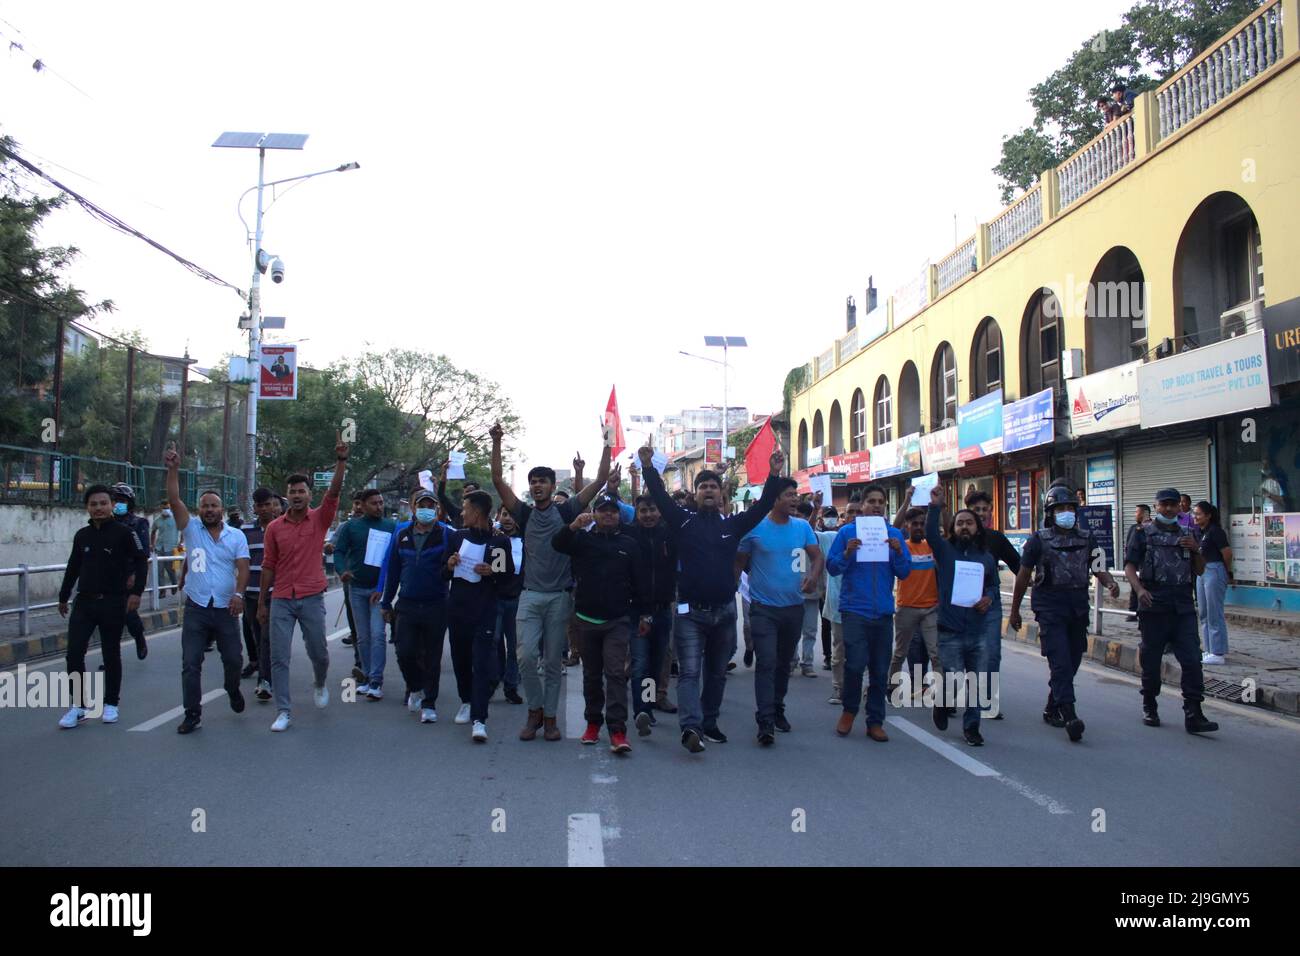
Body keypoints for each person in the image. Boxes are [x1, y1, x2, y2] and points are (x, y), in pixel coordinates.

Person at [639, 442, 784, 754]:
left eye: (713, 486)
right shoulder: (682, 521)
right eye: (703, 486)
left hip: (725, 613)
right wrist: (648, 466)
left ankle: (709, 723)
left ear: (721, 494)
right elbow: (661, 497)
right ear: (695, 493)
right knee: (690, 672)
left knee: (717, 674)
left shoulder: (733, 525)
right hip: (690, 613)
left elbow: (761, 507)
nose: (708, 490)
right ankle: (690, 726)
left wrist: (773, 475)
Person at [490, 421, 609, 743]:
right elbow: (498, 479)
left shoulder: (567, 508)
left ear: (553, 484)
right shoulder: (523, 513)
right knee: (527, 656)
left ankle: (551, 719)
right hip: (529, 595)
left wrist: (607, 442)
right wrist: (497, 440)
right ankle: (535, 711)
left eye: (543, 481)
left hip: (559, 598)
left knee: (553, 663)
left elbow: (599, 480)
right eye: (533, 482)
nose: (538, 485)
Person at [1009, 485, 1121, 743]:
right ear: (1051, 512)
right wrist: (1015, 610)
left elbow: (1098, 565)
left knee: (1072, 660)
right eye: (1061, 509)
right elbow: (1024, 575)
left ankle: (1052, 705)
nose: (1066, 513)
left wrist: (1110, 583)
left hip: (1078, 605)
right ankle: (1070, 714)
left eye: (1070, 508)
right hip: (1049, 605)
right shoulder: (1039, 539)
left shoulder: (1086, 536)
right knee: (1059, 660)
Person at [257, 432, 350, 732]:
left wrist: (341, 461)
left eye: (301, 491)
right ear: (287, 496)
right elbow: (268, 565)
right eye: (292, 491)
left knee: (319, 653)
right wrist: (262, 603)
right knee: (278, 656)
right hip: (281, 598)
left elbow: (334, 493)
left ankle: (320, 682)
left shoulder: (320, 519)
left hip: (311, 596)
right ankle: (284, 710)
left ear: (309, 495)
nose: (297, 495)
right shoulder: (274, 528)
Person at [552, 492, 651, 752]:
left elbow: (641, 582)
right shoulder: (582, 540)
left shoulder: (629, 543)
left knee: (616, 674)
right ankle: (593, 723)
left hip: (617, 620)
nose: (608, 514)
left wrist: (645, 614)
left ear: (619, 515)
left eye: (613, 510)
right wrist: (573, 526)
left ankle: (618, 730)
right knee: (591, 676)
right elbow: (557, 544)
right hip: (585, 620)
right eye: (603, 510)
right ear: (594, 514)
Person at [163, 444, 251, 734]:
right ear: (199, 509)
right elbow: (174, 499)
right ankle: (192, 714)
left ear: (221, 509)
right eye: (204, 506)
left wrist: (238, 595)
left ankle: (232, 687)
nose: (209, 510)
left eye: (213, 506)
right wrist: (173, 469)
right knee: (190, 663)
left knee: (234, 659)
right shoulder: (190, 529)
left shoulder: (236, 536)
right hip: (197, 607)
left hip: (226, 608)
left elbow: (243, 567)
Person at [735, 478, 823, 745]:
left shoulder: (802, 527)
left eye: (796, 495)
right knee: (767, 663)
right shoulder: (754, 529)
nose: (795, 499)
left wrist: (813, 576)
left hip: (793, 608)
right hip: (763, 609)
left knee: (784, 664)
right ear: (774, 499)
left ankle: (777, 708)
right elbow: (738, 563)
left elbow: (818, 557)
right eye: (788, 495)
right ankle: (765, 720)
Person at [1124, 488, 1219, 734]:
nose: (1168, 509)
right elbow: (1130, 567)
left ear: (1180, 507)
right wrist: (1139, 590)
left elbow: (1199, 570)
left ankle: (1194, 713)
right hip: (1154, 604)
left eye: (1173, 505)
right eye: (1164, 505)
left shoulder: (1189, 533)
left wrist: (1196, 549)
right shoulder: (1142, 533)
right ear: (1156, 507)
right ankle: (1150, 705)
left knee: (1192, 661)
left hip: (1183, 605)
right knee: (1151, 659)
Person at [55, 484, 147, 728]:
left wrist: (136, 592)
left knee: (110, 652)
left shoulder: (125, 533)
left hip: (113, 601)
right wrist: (64, 597)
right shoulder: (82, 535)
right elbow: (73, 567)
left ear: (111, 505)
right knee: (74, 653)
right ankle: (78, 706)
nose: (98, 508)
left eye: (103, 503)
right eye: (93, 504)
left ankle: (111, 704)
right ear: (88, 507)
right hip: (84, 602)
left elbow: (141, 561)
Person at [825, 484, 912, 742]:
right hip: (854, 610)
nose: (876, 506)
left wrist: (897, 551)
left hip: (883, 613)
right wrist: (847, 552)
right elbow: (832, 567)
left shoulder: (894, 534)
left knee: (879, 668)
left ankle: (875, 720)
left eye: (880, 502)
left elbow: (905, 572)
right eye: (871, 501)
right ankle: (849, 710)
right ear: (862, 505)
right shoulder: (847, 533)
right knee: (854, 664)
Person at [925, 484, 998, 746]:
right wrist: (935, 507)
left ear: (978, 527)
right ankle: (942, 704)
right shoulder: (945, 552)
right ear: (953, 529)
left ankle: (972, 727)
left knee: (977, 682)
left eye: (969, 523)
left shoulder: (986, 558)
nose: (964, 527)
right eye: (960, 523)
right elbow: (931, 535)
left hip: (978, 631)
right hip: (950, 630)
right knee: (954, 680)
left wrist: (988, 598)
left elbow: (992, 586)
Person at [444, 490, 514, 742]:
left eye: (465, 508)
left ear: (478, 511)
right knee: (460, 658)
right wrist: (450, 565)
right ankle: (466, 700)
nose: (462, 513)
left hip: (485, 610)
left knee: (482, 662)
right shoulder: (457, 538)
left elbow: (507, 581)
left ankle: (479, 719)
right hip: (458, 608)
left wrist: (491, 572)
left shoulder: (499, 542)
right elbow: (443, 573)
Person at [380, 487, 451, 723]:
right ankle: (415, 686)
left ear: (437, 509)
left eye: (431, 506)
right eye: (422, 505)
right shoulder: (402, 535)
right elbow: (393, 571)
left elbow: (470, 541)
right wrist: (386, 601)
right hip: (407, 604)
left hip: (436, 604)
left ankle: (429, 703)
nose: (426, 510)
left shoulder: (446, 535)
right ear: (413, 508)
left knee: (432, 656)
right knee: (404, 651)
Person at [331, 488, 397, 699]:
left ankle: (377, 680)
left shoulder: (391, 527)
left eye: (380, 503)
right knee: (363, 636)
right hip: (356, 589)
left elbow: (396, 558)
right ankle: (367, 676)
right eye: (374, 503)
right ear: (362, 504)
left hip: (379, 590)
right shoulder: (351, 527)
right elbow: (338, 551)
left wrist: (385, 588)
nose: (379, 506)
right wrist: (342, 571)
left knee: (378, 634)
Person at [623, 493, 676, 737]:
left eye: (652, 509)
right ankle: (642, 710)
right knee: (640, 663)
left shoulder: (670, 534)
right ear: (636, 512)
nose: (648, 515)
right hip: (637, 612)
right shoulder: (629, 536)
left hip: (663, 610)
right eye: (643, 510)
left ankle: (650, 706)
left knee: (656, 663)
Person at [964, 489, 1021, 719]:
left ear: (990, 512)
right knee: (964, 653)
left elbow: (1019, 565)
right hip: (962, 604)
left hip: (990, 603)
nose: (980, 514)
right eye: (975, 510)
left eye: (984, 510)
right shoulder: (957, 537)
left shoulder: (996, 538)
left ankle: (987, 701)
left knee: (992, 653)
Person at [889, 503, 941, 692]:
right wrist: (908, 499)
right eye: (915, 524)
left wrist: (939, 505)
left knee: (936, 654)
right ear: (907, 526)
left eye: (922, 523)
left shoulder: (932, 547)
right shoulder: (901, 546)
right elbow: (893, 529)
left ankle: (943, 695)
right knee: (900, 653)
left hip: (930, 609)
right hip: (906, 608)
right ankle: (891, 687)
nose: (919, 527)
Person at [240, 488, 279, 693]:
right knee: (256, 635)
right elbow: (240, 561)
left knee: (266, 637)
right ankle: (264, 669)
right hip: (250, 593)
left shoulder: (282, 528)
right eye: (260, 505)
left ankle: (265, 681)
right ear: (255, 508)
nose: (264, 509)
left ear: (274, 506)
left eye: (268, 504)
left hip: (275, 593)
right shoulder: (245, 531)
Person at [825, 497, 861, 705]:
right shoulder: (835, 537)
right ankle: (838, 688)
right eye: (851, 513)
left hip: (860, 604)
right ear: (844, 517)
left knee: (861, 651)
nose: (855, 516)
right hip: (838, 603)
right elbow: (831, 565)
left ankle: (861, 689)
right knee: (839, 649)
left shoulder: (874, 539)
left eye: (858, 512)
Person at [110, 483, 150, 661]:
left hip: (129, 575)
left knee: (129, 614)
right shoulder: (105, 523)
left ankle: (139, 638)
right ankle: (109, 657)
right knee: (109, 621)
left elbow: (142, 555)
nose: (118, 504)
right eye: (115, 500)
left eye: (122, 500)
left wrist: (134, 576)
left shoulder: (138, 524)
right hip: (108, 577)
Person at [492, 505, 525, 705]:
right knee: (493, 642)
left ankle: (511, 686)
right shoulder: (493, 539)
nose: (508, 519)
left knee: (514, 647)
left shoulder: (525, 540)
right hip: (495, 599)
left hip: (518, 600)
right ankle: (493, 680)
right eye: (504, 514)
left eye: (512, 515)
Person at [1193, 500, 1232, 665]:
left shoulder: (1216, 532)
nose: (1195, 517)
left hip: (1214, 569)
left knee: (1214, 612)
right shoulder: (1200, 532)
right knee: (1203, 612)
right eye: (1194, 514)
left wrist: (1226, 572)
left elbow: (1227, 553)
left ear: (1208, 516)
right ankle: (1208, 649)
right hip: (1202, 572)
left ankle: (1218, 651)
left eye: (1198, 514)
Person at [1125, 505, 1152, 618]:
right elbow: (1129, 545)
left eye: (1137, 512)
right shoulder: (1134, 528)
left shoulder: (1153, 527)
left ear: (1145, 513)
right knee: (1134, 585)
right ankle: (1132, 612)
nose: (1135, 514)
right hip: (1135, 561)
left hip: (1147, 564)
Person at [150, 500, 179, 594]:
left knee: (171, 569)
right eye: (164, 508)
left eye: (167, 508)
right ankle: (162, 590)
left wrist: (181, 542)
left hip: (171, 548)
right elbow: (153, 532)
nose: (165, 510)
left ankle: (174, 585)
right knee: (159, 570)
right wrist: (152, 544)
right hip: (159, 548)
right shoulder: (157, 520)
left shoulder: (175, 519)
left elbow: (182, 530)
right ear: (160, 508)